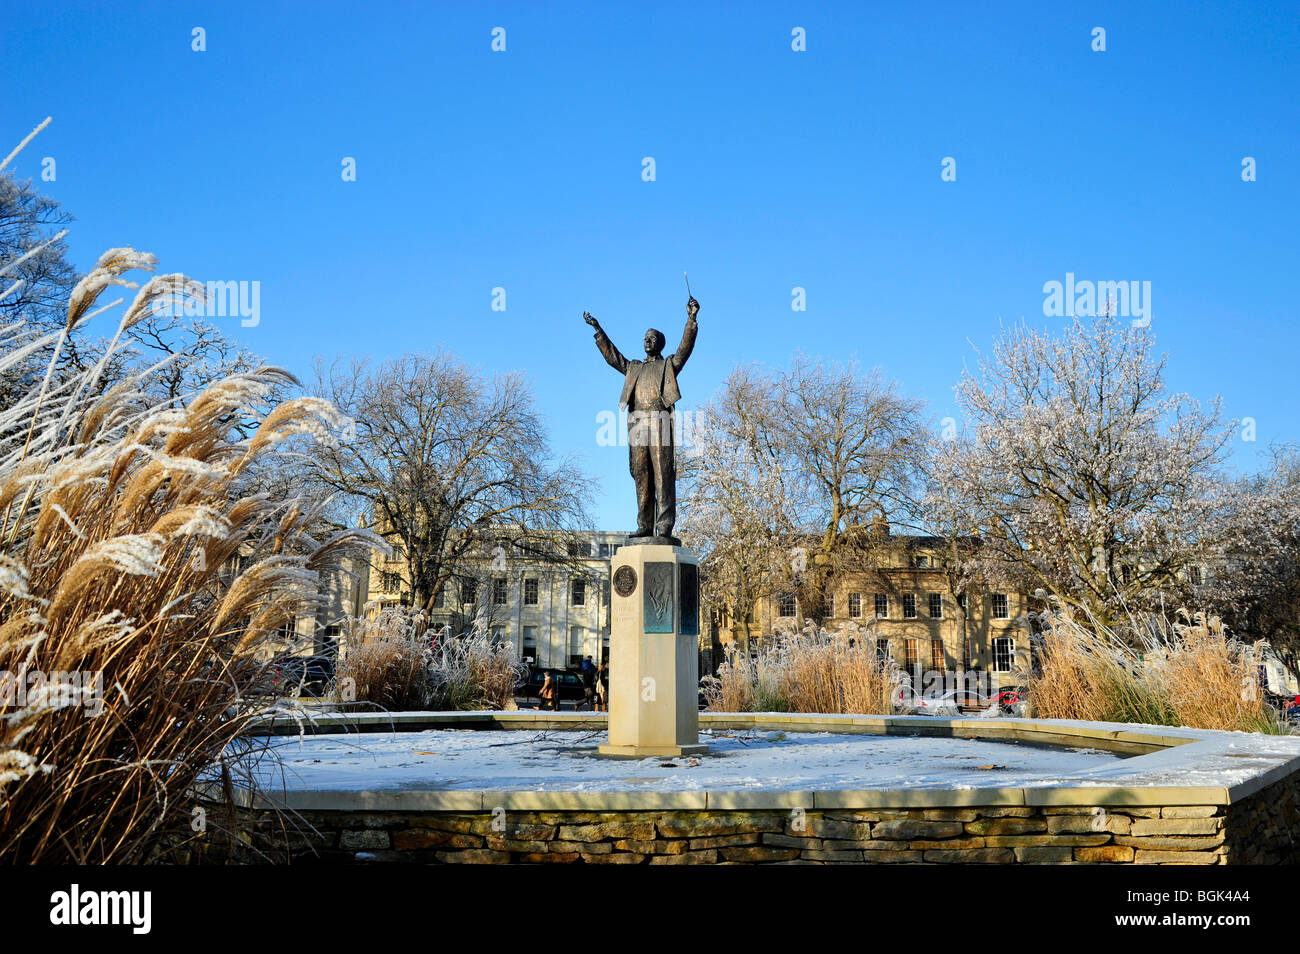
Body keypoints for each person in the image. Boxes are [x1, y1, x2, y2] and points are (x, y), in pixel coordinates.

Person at [584, 296, 699, 539]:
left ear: (660, 344)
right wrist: (598, 331)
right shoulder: (634, 367)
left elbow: (684, 351)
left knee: (662, 474)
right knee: (640, 473)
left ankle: (664, 526)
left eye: (652, 338)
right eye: (645, 338)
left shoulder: (668, 364)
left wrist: (691, 319)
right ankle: (645, 525)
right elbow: (613, 358)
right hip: (638, 424)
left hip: (660, 422)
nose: (647, 341)